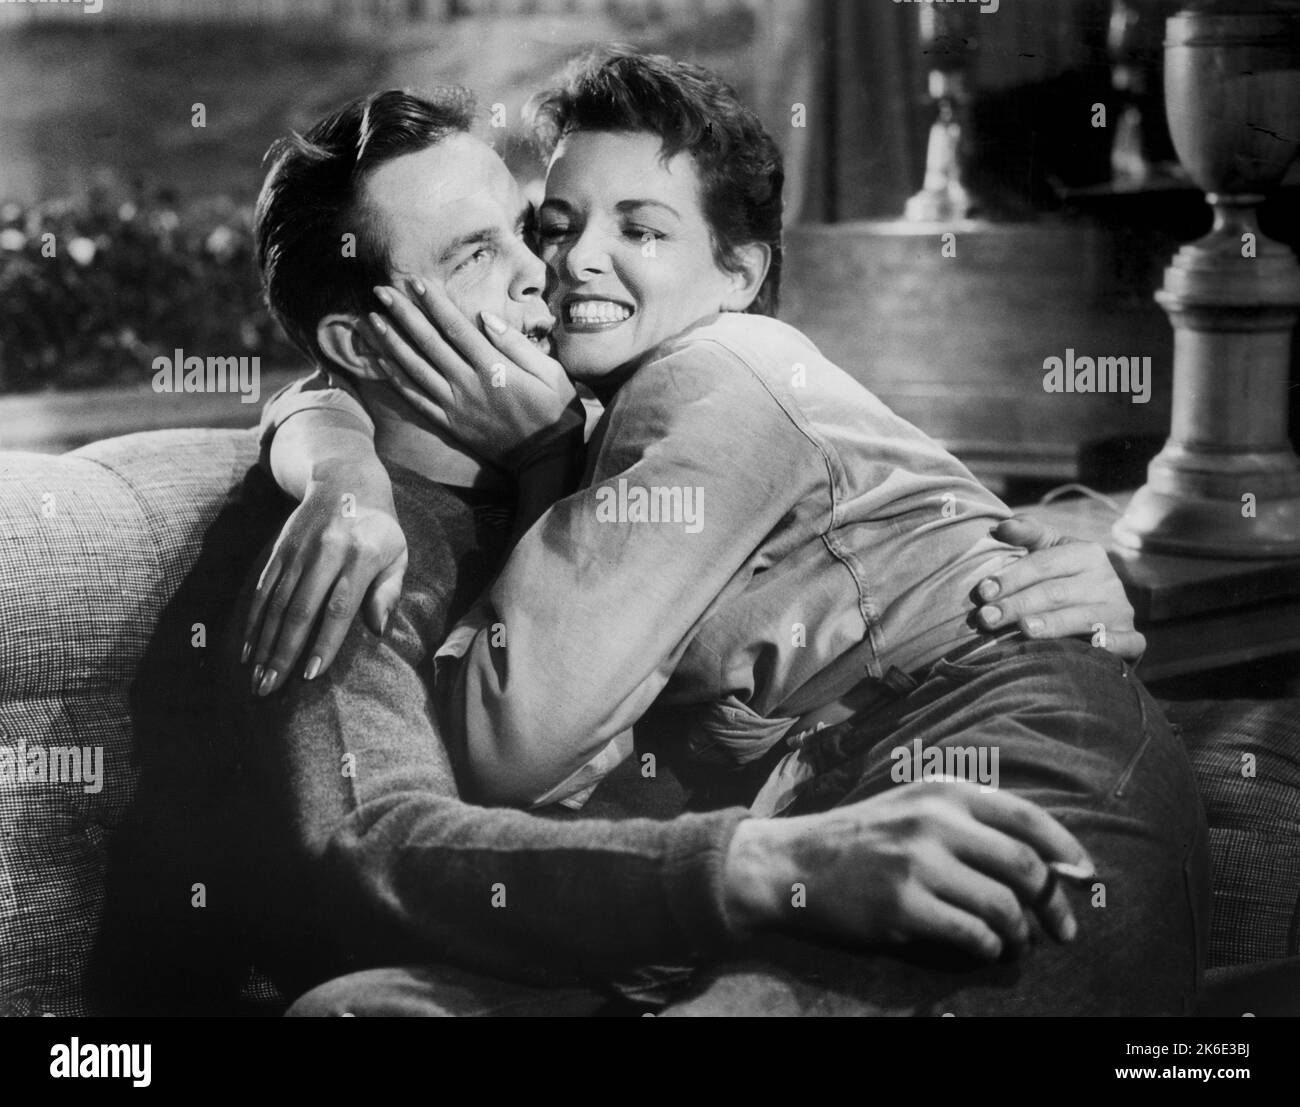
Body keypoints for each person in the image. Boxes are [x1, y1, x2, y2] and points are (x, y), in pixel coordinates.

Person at [236, 74, 1198, 1017]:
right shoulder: (350, 554)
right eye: (493, 247)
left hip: (975, 758)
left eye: (529, 228)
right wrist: (334, 448)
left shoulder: (682, 384)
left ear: (740, 274)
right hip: (824, 814)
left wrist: (510, 453)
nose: (548, 268)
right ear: (360, 343)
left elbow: (517, 742)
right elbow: (388, 837)